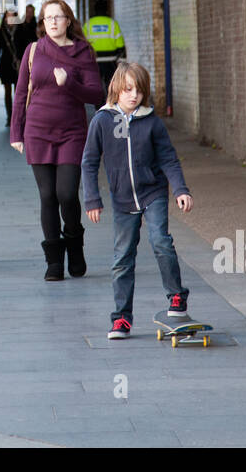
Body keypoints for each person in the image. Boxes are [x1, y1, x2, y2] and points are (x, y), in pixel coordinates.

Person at [81, 61, 193, 339]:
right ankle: (121, 318)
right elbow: (89, 162)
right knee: (122, 258)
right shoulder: (102, 121)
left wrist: (180, 189)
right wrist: (92, 198)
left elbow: (168, 158)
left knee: (161, 241)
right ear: (116, 89)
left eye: (139, 91)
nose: (133, 96)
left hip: (152, 192)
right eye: (128, 89)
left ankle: (176, 296)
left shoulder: (151, 122)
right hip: (121, 201)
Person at [10, 0, 105, 280]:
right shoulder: (33, 51)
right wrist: (17, 132)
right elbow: (20, 95)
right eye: (47, 18)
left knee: (66, 194)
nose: (52, 22)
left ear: (68, 21)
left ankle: (75, 247)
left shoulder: (83, 51)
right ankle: (54, 262)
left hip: (72, 133)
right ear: (43, 23)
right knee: (47, 196)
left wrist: (70, 83)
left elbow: (96, 94)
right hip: (37, 131)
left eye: (58, 17)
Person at [83, 0, 127, 89]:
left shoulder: (88, 24)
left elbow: (82, 44)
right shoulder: (112, 23)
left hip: (94, 61)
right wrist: (122, 62)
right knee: (111, 85)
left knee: (96, 85)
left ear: (95, 10)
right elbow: (120, 45)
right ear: (106, 9)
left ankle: (99, 103)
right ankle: (110, 102)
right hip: (110, 61)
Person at [0, 8, 20, 127]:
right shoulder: (1, 32)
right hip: (6, 66)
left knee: (18, 93)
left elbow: (25, 47)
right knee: (7, 92)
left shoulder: (20, 30)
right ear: (5, 18)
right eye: (8, 16)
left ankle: (18, 117)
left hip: (19, 65)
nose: (10, 19)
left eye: (13, 16)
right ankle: (9, 116)